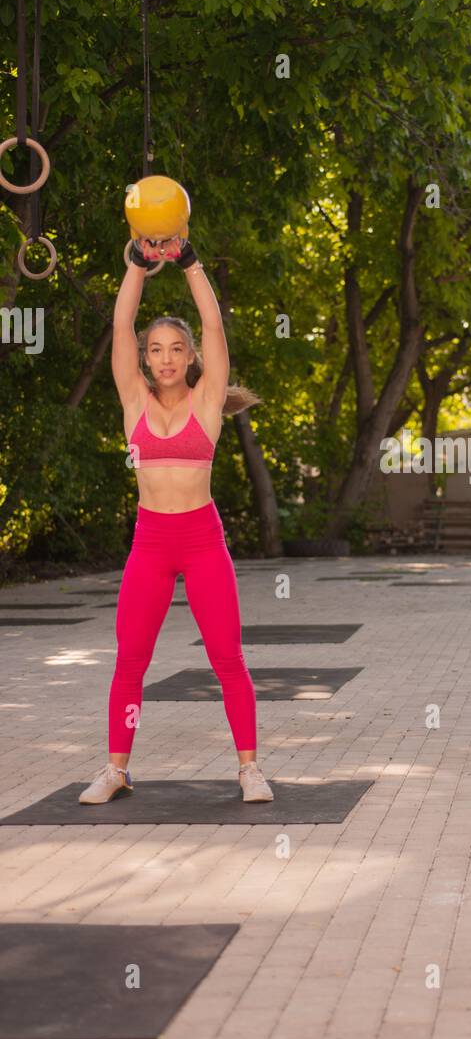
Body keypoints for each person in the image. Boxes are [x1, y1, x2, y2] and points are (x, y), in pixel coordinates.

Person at [79, 232, 273, 804]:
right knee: (130, 661)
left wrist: (188, 262)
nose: (165, 358)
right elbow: (119, 327)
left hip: (202, 540)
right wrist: (137, 265)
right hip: (151, 544)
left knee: (227, 659)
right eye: (155, 349)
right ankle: (115, 769)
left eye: (175, 349)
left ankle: (249, 768)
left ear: (190, 357)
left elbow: (214, 327)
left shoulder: (207, 402)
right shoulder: (133, 401)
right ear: (146, 358)